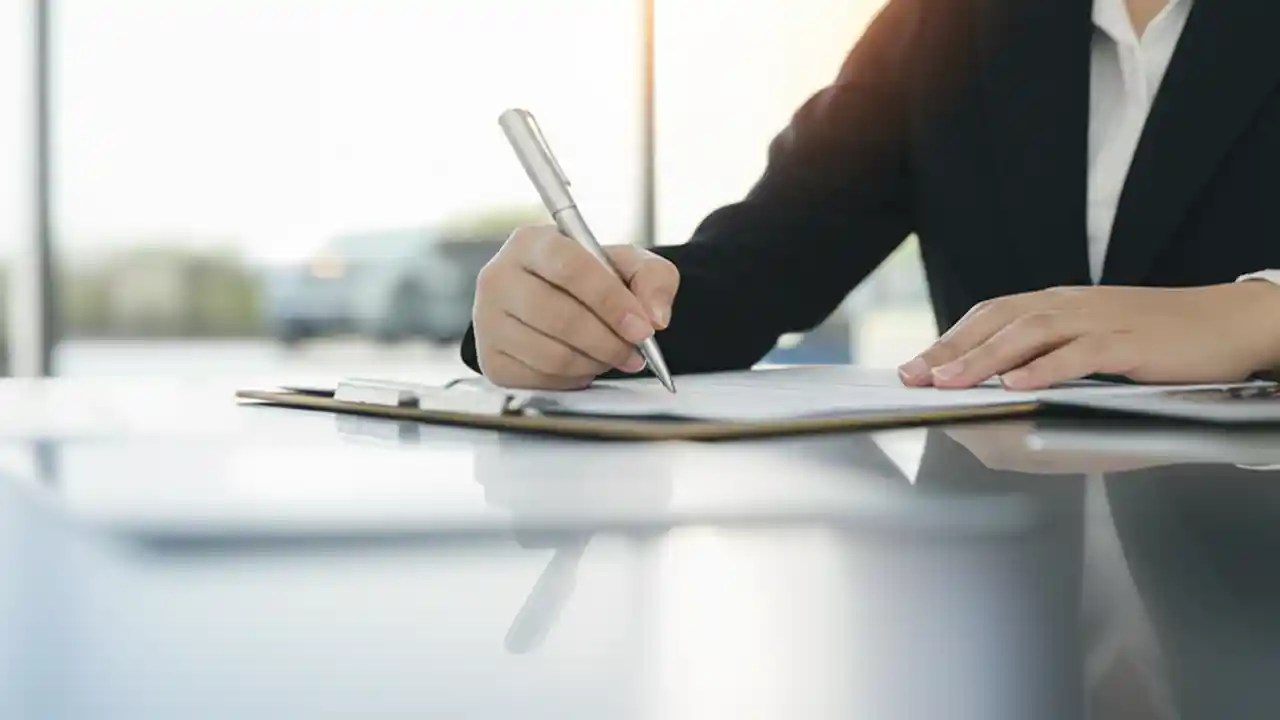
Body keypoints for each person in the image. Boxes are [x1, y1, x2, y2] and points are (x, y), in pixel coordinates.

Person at [463, 0, 1280, 391]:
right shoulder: (949, 23)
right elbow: (752, 272)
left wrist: (1256, 315)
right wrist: (577, 313)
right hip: (1011, 595)